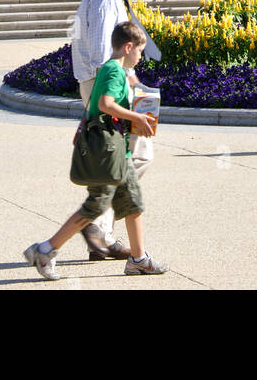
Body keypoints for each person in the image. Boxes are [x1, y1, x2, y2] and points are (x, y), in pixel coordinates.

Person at [24, 22, 167, 280]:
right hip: (107, 151)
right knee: (96, 205)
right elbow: (105, 104)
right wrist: (137, 117)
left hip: (117, 151)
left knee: (133, 202)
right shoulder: (114, 71)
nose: (140, 58)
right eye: (139, 52)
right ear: (128, 46)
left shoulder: (111, 68)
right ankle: (44, 251)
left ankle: (139, 259)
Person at [70, 0, 161, 259]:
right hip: (105, 84)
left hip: (105, 83)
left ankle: (100, 231)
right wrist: (120, 88)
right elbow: (101, 51)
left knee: (122, 157)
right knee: (136, 156)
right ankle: (95, 223)